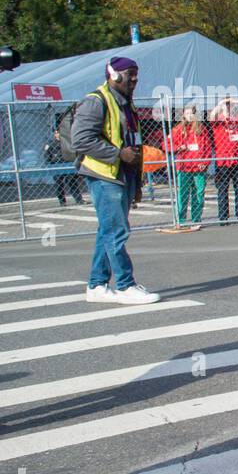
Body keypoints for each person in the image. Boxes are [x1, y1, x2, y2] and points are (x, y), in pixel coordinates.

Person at [70, 56, 160, 304]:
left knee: (107, 231)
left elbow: (133, 142)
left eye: (136, 74)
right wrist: (118, 154)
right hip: (104, 175)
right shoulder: (96, 101)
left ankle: (97, 285)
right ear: (114, 75)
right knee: (116, 232)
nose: (135, 79)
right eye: (130, 74)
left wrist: (137, 181)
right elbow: (81, 140)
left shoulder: (125, 103)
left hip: (122, 175)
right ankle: (124, 285)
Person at [165, 106, 212, 228]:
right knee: (183, 194)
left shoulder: (202, 130)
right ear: (183, 115)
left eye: (192, 113)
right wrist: (177, 148)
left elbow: (208, 148)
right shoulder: (178, 129)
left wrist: (205, 163)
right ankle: (180, 220)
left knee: (199, 193)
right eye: (187, 113)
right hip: (184, 167)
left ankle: (196, 219)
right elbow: (165, 145)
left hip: (199, 169)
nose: (190, 116)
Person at [211, 98, 238, 224]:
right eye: (227, 106)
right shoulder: (219, 121)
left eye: (231, 106)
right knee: (223, 188)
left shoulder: (237, 120)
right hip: (223, 160)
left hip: (237, 158)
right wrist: (221, 104)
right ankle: (223, 217)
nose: (229, 108)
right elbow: (212, 116)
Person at [44, 115, 85, 206]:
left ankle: (79, 199)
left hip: (67, 163)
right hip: (56, 165)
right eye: (56, 133)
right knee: (59, 184)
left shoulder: (67, 141)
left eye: (59, 132)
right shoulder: (51, 144)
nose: (58, 134)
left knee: (72, 182)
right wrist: (49, 165)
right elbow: (47, 156)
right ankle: (62, 201)